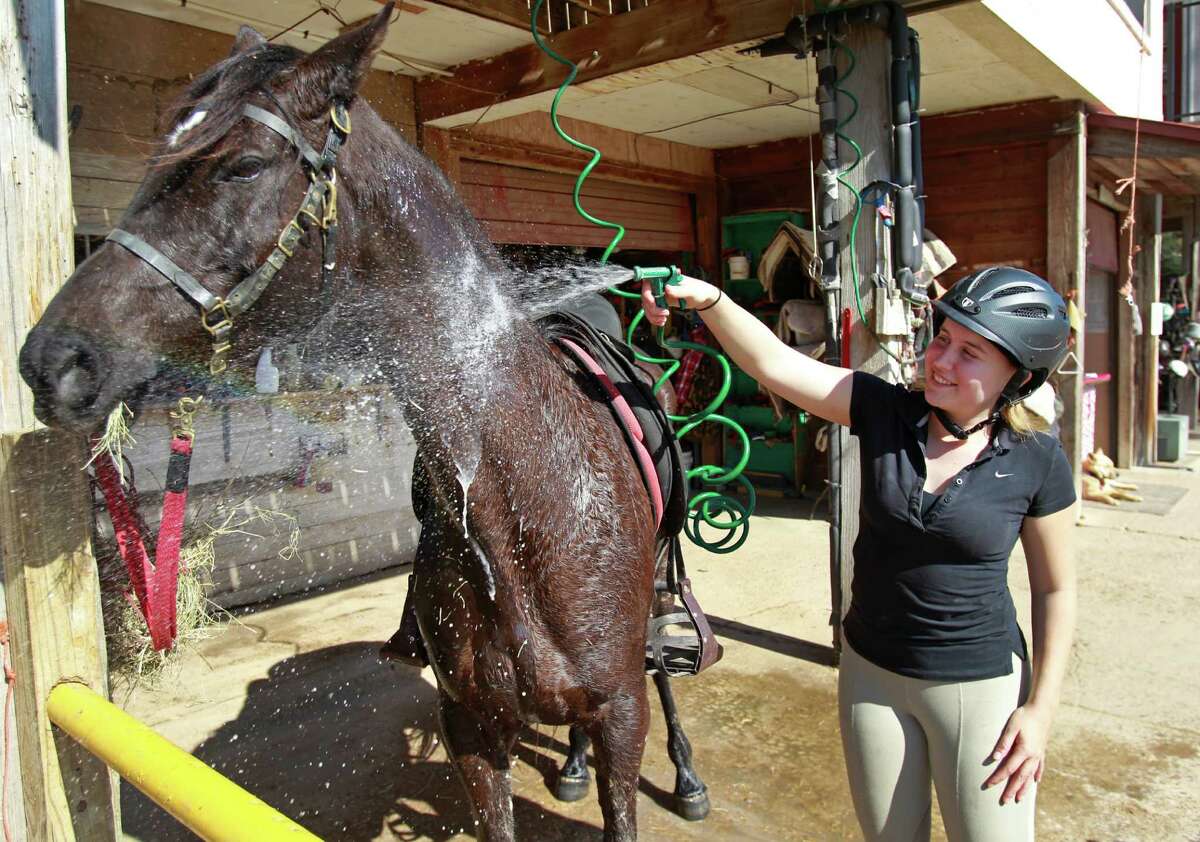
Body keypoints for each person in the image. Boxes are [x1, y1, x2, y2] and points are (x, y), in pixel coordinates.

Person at [642, 266, 1076, 842]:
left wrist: (1039, 713)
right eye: (943, 339)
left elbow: (1056, 589)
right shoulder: (885, 411)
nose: (942, 360)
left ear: (1017, 377)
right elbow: (775, 363)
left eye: (971, 353)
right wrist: (712, 300)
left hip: (980, 687)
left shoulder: (1037, 460)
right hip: (871, 676)